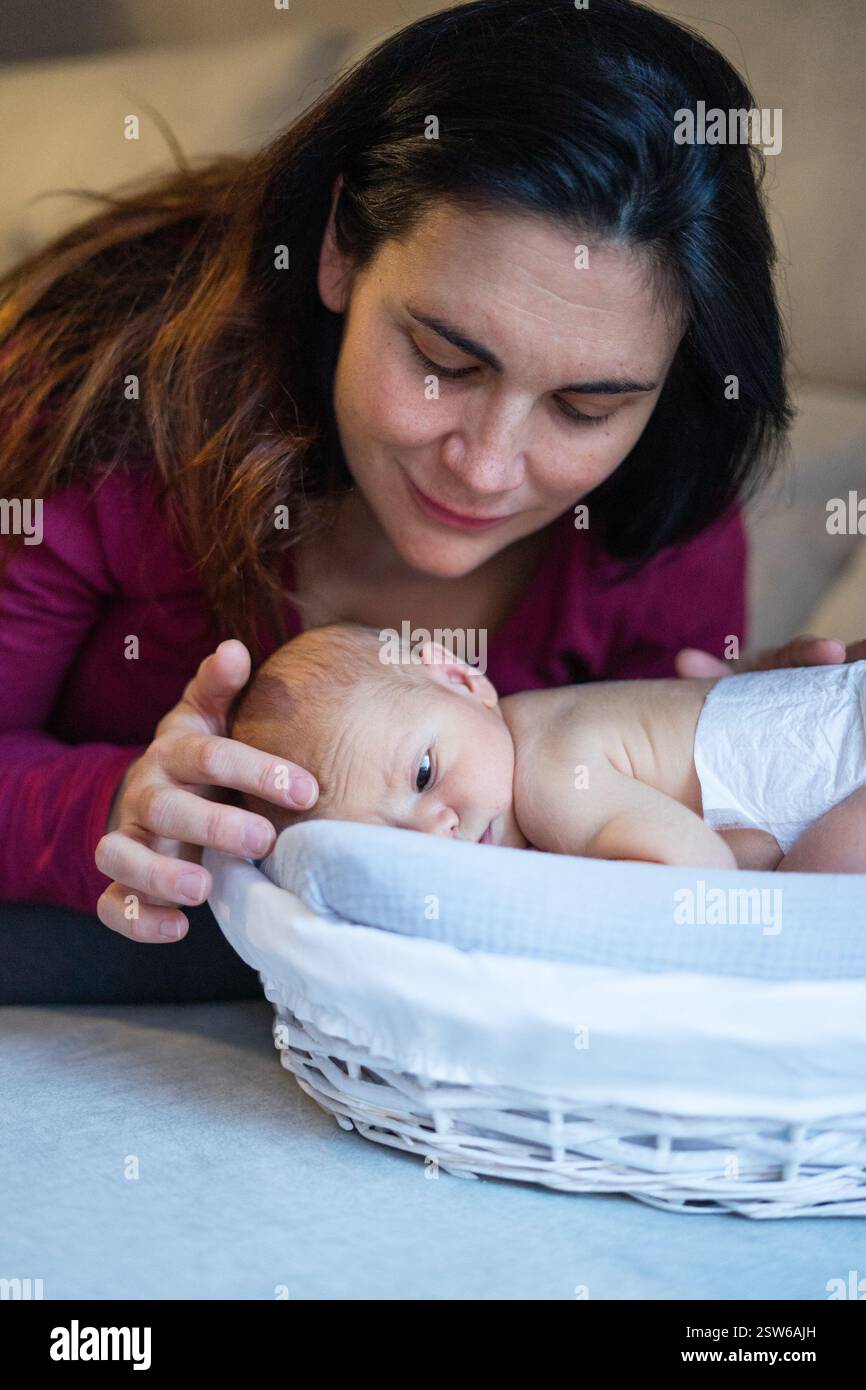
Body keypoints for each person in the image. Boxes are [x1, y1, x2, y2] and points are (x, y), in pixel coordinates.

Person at [1, 0, 862, 1002]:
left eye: (586, 407)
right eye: (443, 361)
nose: (488, 467)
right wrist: (114, 805)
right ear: (336, 249)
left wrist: (728, 760)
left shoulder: (656, 521)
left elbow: (636, 918)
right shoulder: (111, 407)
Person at [231, 623, 866, 875]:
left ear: (458, 677)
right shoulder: (530, 734)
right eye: (392, 844)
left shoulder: (549, 776)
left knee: (821, 883)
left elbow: (697, 873)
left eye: (424, 773)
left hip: (844, 750)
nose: (434, 831)